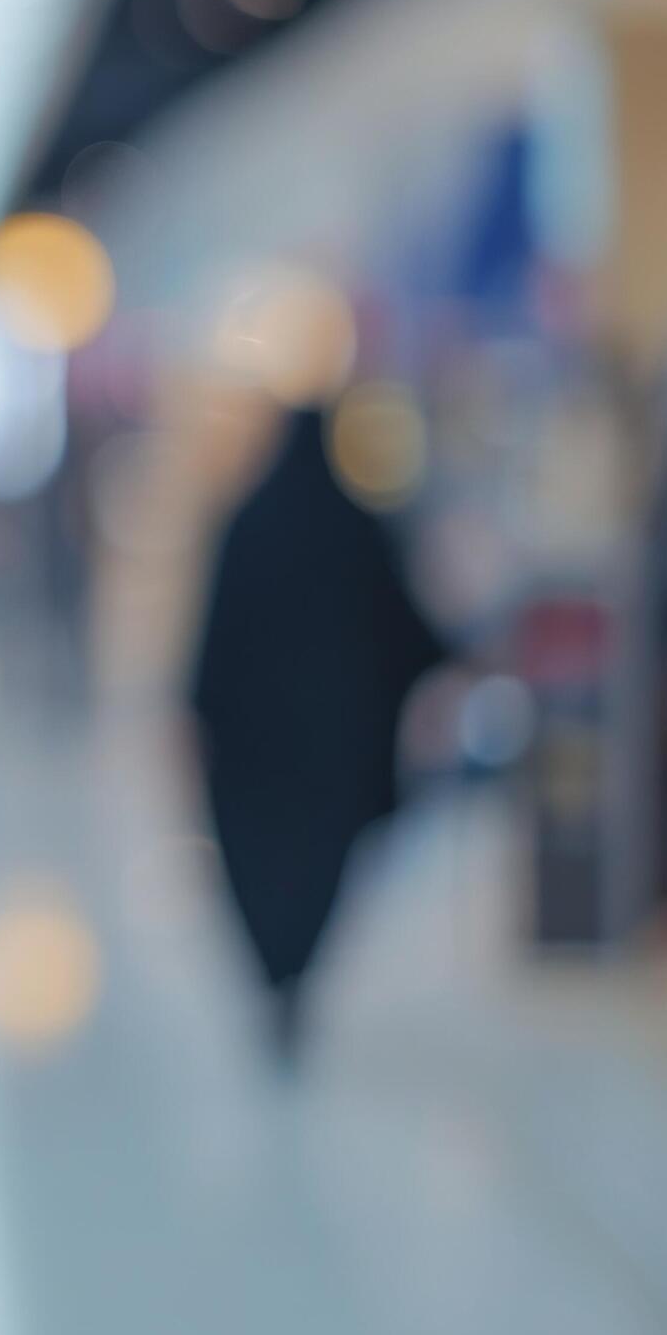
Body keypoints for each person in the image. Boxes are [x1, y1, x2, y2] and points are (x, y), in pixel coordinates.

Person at [186, 401, 446, 1067]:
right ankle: (294, 970)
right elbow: (404, 626)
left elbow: (213, 637)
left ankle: (278, 970)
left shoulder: (248, 524)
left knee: (261, 862)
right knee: (317, 866)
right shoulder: (353, 526)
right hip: (334, 747)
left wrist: (198, 711)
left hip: (253, 748)